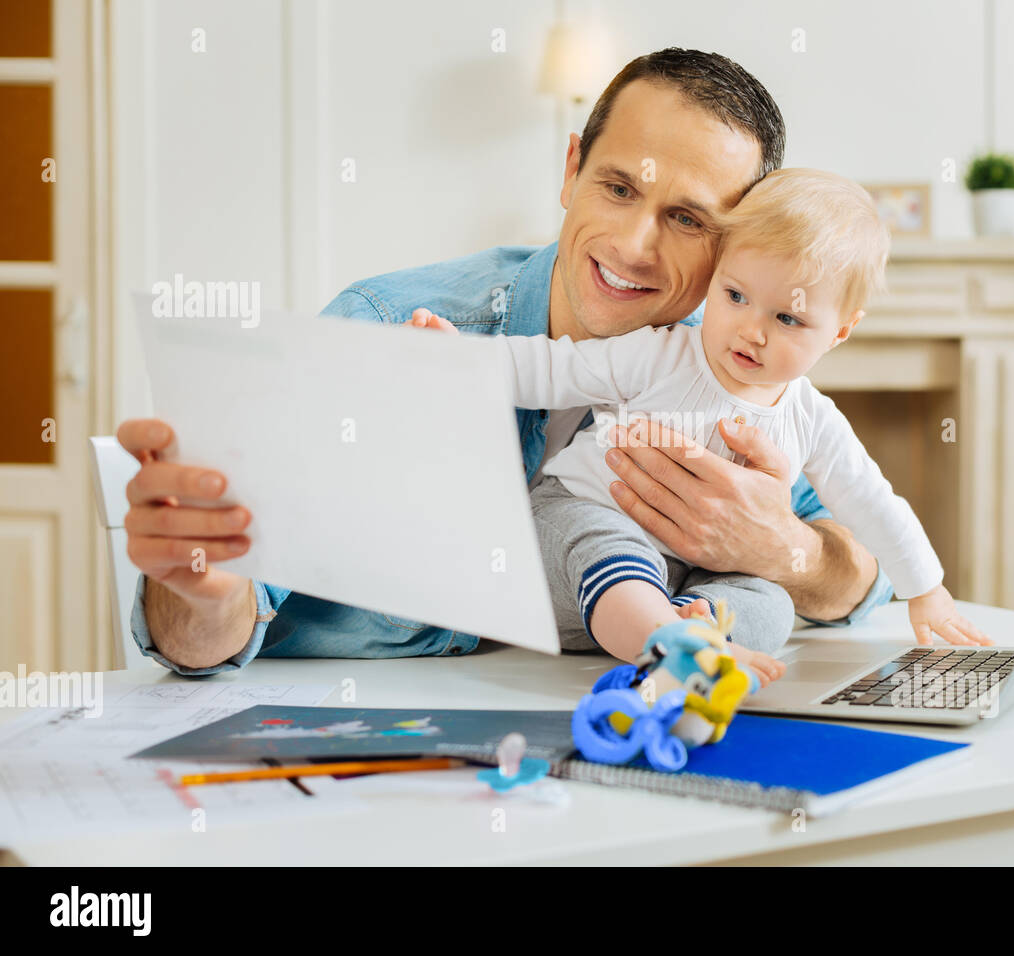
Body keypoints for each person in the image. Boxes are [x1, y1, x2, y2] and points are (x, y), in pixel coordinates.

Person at [116, 48, 942, 676]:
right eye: (618, 188)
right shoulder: (388, 328)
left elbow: (851, 574)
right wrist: (203, 587)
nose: (632, 245)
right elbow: (205, 639)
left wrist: (783, 551)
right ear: (571, 168)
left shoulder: (729, 364)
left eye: (688, 219)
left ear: (734, 252)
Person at [409, 168, 992, 684]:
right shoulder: (663, 353)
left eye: (788, 317)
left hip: (690, 576)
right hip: (577, 527)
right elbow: (554, 367)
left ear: (840, 330)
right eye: (735, 295)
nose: (751, 331)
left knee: (770, 604)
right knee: (603, 540)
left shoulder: (812, 417)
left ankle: (703, 630)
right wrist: (463, 362)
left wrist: (927, 589)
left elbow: (871, 500)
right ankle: (667, 638)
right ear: (715, 278)